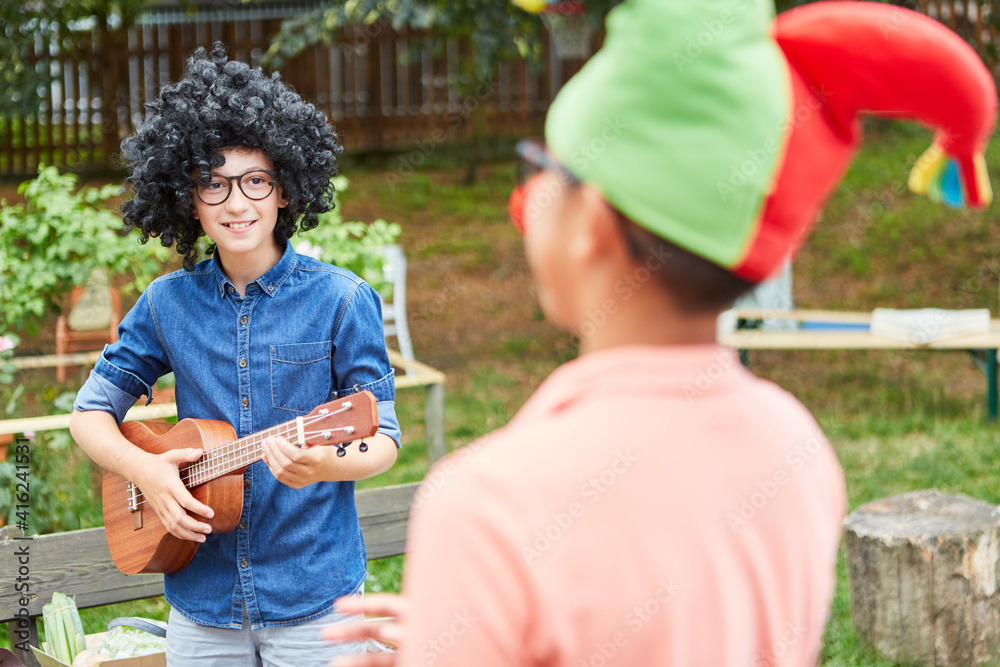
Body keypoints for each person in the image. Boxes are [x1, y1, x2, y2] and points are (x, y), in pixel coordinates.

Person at [321, 0, 996, 665]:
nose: (522, 199)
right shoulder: (798, 447)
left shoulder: (487, 505)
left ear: (591, 225)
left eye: (543, 167)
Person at [69, 43, 402, 666]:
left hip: (314, 598)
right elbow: (87, 414)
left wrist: (322, 466)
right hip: (201, 599)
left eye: (255, 181)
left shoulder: (342, 301)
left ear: (285, 191)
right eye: (212, 185)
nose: (236, 203)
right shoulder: (167, 304)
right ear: (187, 199)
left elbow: (381, 436)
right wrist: (147, 472)